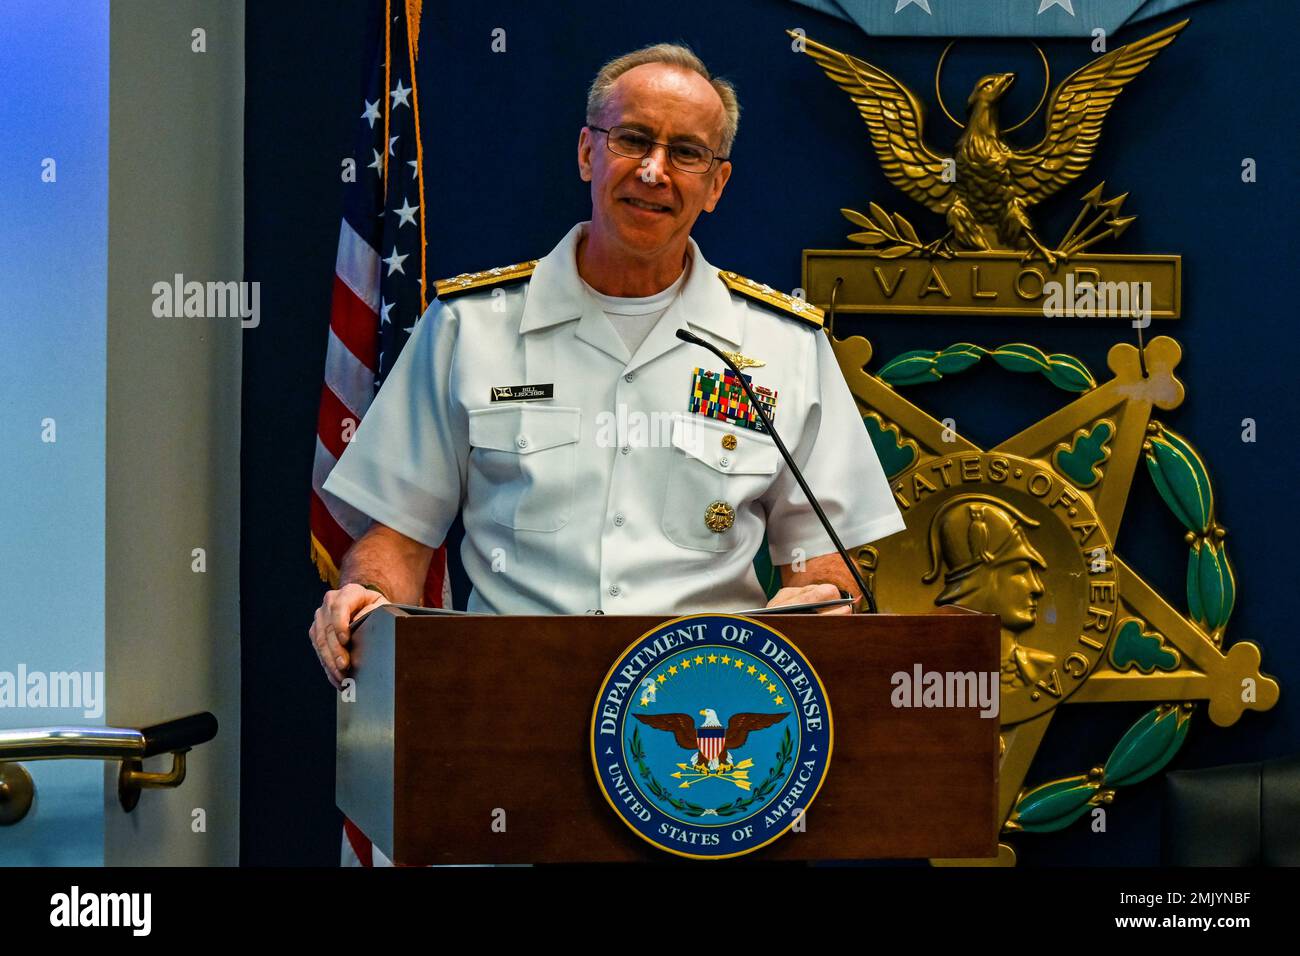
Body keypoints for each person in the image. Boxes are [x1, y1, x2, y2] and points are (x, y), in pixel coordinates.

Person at [310, 42, 906, 865]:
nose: (655, 171)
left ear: (716, 182)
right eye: (632, 140)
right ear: (588, 150)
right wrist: (366, 604)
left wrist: (809, 618)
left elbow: (829, 568)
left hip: (701, 772)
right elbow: (397, 542)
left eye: (687, 152)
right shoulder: (469, 329)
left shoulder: (780, 349)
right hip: (500, 743)